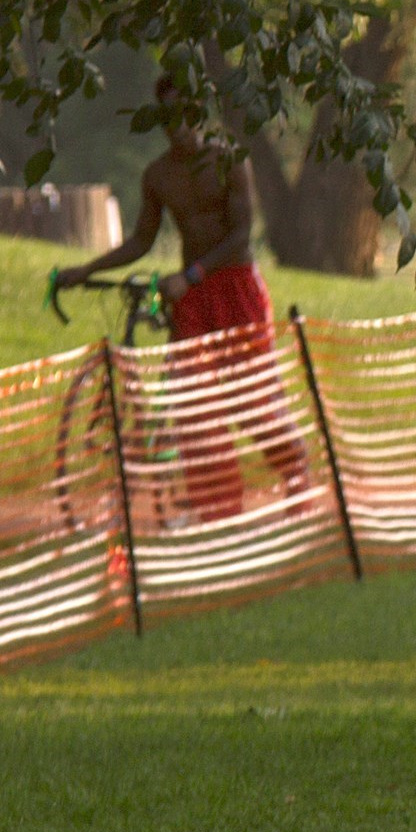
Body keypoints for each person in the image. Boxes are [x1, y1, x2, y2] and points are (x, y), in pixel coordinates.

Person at [54, 73, 307, 522]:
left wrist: (191, 274)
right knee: (193, 402)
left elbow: (241, 234)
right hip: (191, 298)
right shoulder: (158, 175)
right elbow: (141, 240)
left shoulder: (229, 159)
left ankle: (296, 475)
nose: (179, 126)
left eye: (186, 114)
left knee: (252, 398)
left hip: (235, 287)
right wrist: (87, 270)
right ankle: (216, 506)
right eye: (169, 116)